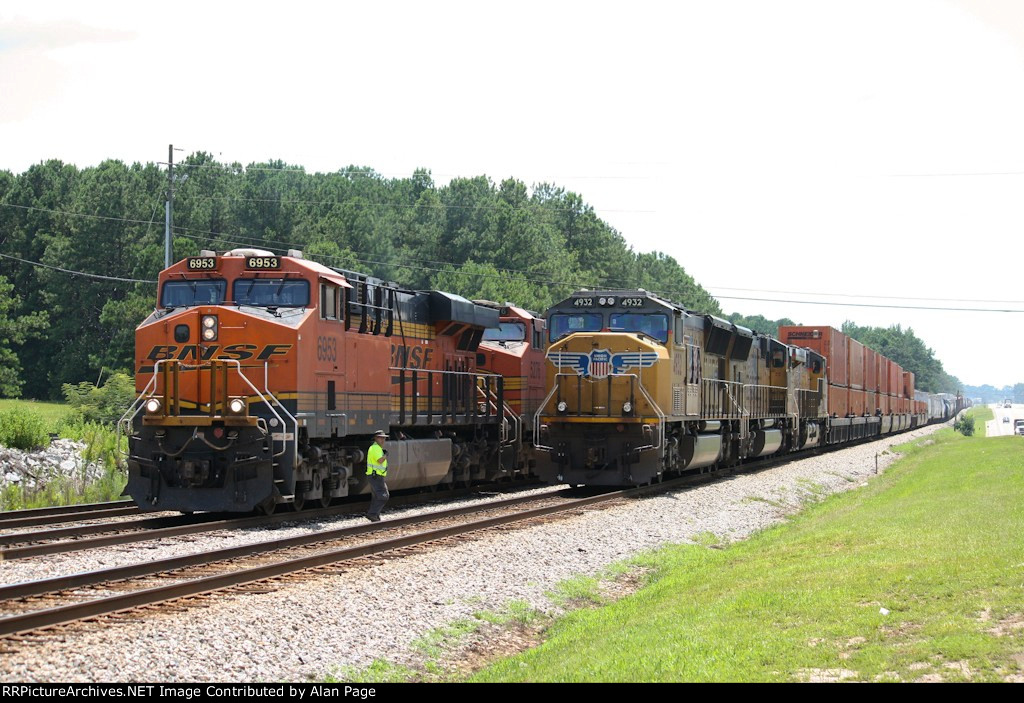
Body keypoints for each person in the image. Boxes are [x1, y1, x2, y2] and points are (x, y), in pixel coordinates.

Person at [365, 430, 389, 522]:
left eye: (384, 438)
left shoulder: (376, 448)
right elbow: (380, 461)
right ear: (375, 438)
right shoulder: (375, 448)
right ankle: (372, 514)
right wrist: (385, 455)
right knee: (383, 496)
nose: (382, 440)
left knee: (377, 496)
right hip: (376, 476)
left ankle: (375, 516)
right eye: (380, 438)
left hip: (376, 476)